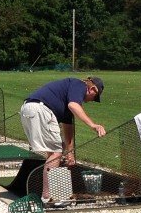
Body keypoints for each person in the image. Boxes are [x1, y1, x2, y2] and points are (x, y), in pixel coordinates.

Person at [19, 76, 107, 204]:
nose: (91, 100)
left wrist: (70, 153)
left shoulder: (68, 94)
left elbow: (68, 127)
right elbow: (73, 105)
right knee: (55, 153)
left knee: (54, 151)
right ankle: (47, 198)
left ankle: (50, 195)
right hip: (41, 109)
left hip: (28, 109)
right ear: (92, 89)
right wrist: (93, 125)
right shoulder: (79, 85)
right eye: (95, 97)